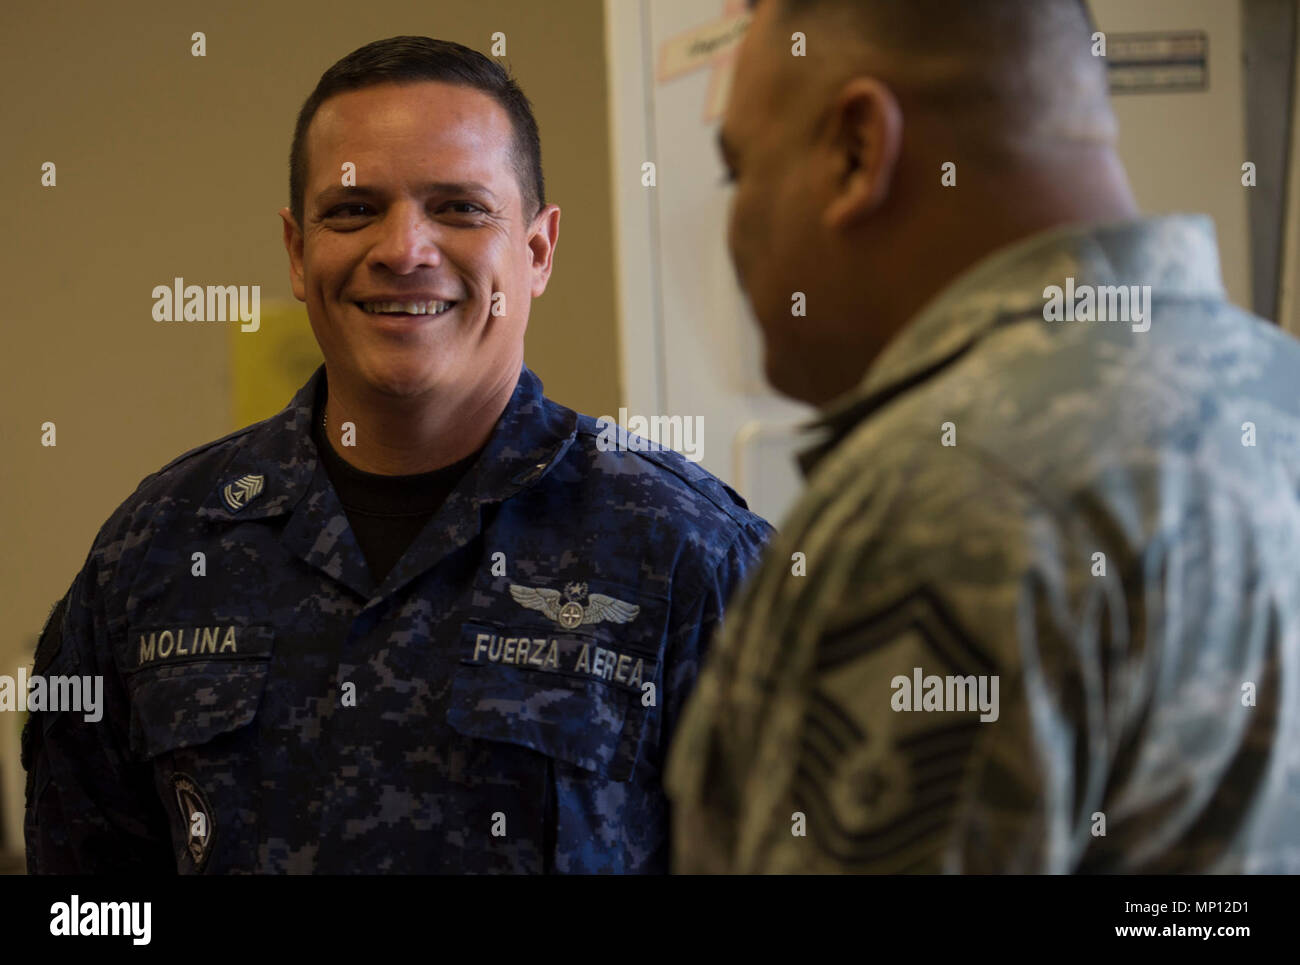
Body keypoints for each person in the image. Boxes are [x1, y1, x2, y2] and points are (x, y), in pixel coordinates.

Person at [24, 35, 772, 874]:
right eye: (353, 209)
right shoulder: (151, 554)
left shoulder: (689, 555)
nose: (404, 249)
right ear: (299, 252)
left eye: (459, 207)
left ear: (536, 251)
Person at [666, 0, 1300, 872]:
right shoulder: (1281, 395)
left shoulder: (945, 493)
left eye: (740, 171)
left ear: (857, 151)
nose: (732, 229)